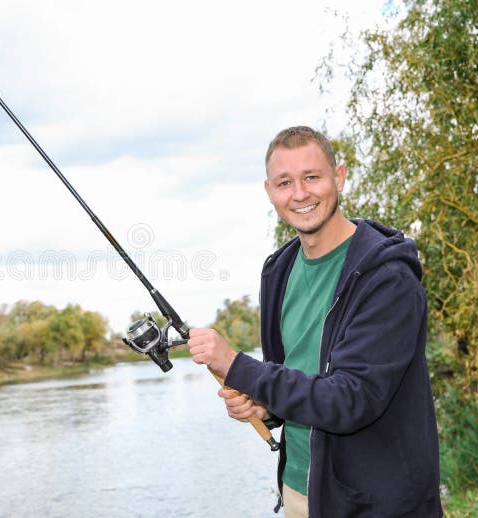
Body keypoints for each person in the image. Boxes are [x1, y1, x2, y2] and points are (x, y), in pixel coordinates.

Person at [188, 126, 442, 517]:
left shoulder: (388, 279)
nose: (300, 194)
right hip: (301, 492)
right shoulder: (279, 269)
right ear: (269, 191)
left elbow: (351, 398)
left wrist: (238, 366)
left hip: (378, 504)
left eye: (312, 177)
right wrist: (264, 407)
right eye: (284, 182)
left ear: (338, 177)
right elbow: (297, 371)